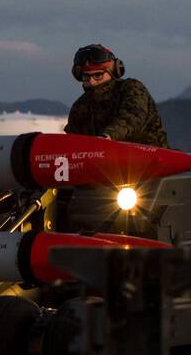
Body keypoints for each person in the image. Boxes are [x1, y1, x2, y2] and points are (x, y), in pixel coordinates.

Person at [52, 44, 168, 230]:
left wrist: (107, 138)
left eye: (98, 75)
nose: (92, 82)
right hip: (102, 180)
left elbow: (131, 117)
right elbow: (73, 140)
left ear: (113, 71)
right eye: (87, 77)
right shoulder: (81, 107)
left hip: (147, 171)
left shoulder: (131, 89)